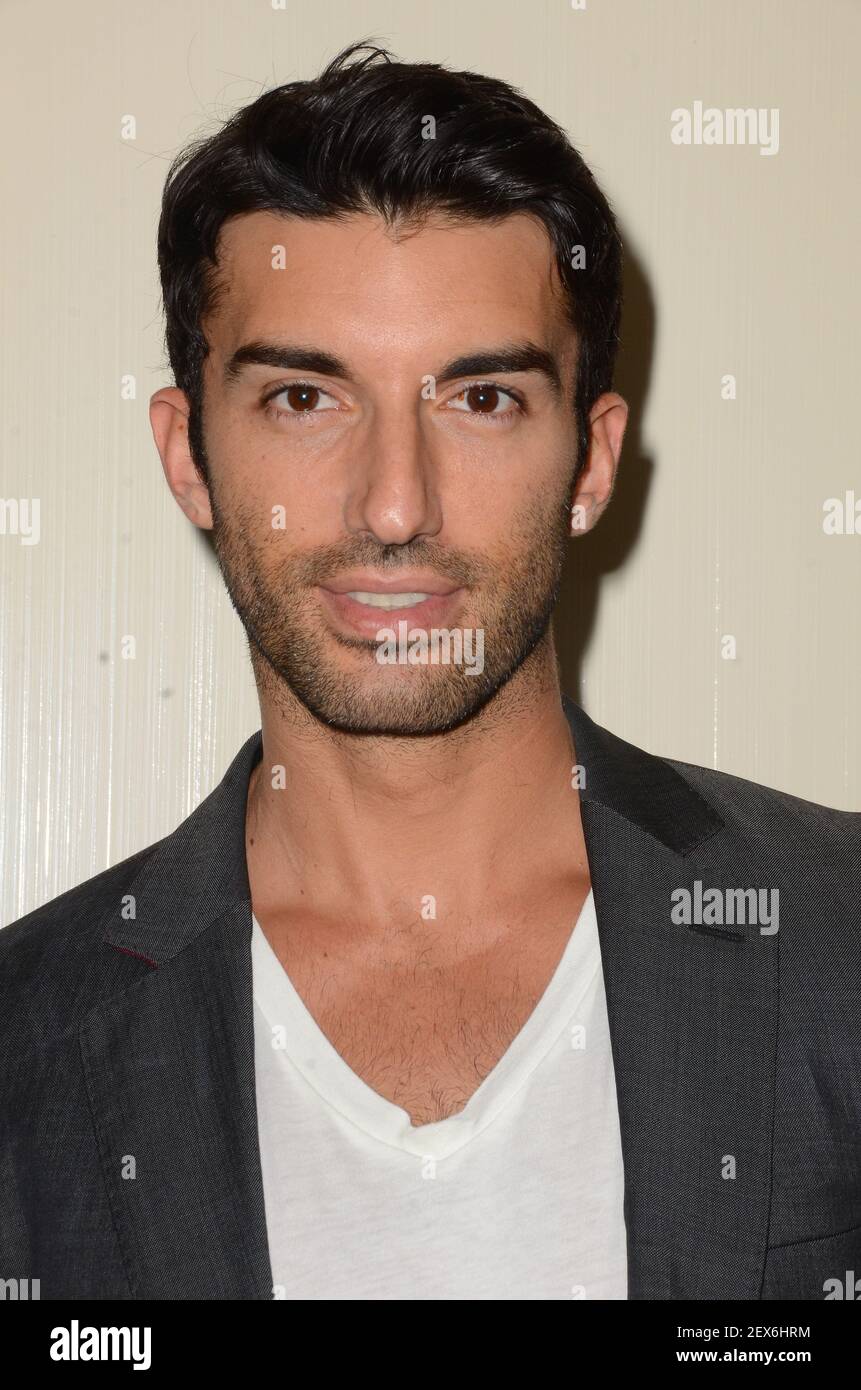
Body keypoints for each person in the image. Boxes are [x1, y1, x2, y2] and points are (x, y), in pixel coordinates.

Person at [1, 40, 858, 1302]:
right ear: (188, 458)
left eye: (483, 400)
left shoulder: (838, 940)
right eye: (304, 398)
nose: (395, 505)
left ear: (593, 459)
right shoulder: (27, 1049)